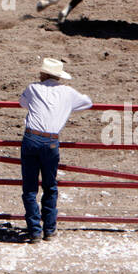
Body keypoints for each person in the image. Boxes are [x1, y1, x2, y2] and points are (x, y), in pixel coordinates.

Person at [19, 58, 92, 244]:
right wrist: (66, 108)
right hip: (51, 140)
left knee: (29, 188)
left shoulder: (33, 88)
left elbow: (23, 103)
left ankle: (34, 231)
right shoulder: (68, 92)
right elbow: (87, 102)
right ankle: (49, 229)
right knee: (50, 186)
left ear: (44, 74)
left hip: (31, 137)